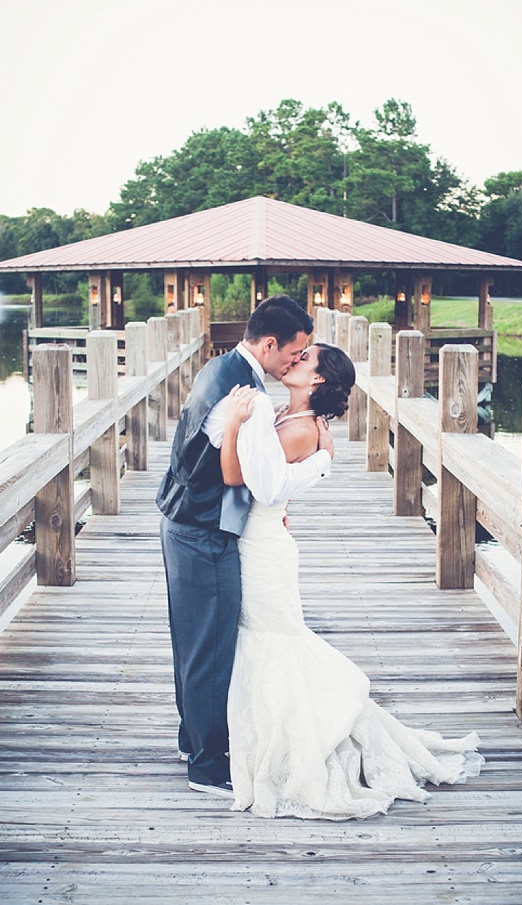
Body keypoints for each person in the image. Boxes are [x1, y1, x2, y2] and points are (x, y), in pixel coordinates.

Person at [221, 342, 484, 819]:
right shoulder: (291, 417)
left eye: (305, 358)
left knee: (274, 642)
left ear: (318, 379)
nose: (295, 359)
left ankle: (297, 744)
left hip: (263, 549)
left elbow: (250, 483)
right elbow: (277, 485)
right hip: (262, 539)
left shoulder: (301, 428)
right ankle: (272, 736)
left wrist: (237, 425)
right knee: (270, 640)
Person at [156, 296, 334, 798]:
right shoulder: (246, 396)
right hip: (204, 530)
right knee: (210, 650)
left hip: (181, 521)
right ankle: (209, 766)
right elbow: (257, 481)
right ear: (271, 344)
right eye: (295, 353)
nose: (295, 362)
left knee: (191, 643)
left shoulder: (221, 368)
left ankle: (192, 741)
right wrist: (321, 463)